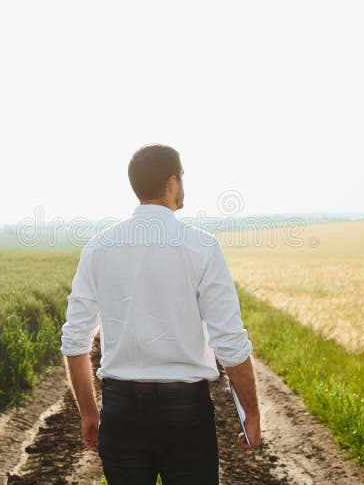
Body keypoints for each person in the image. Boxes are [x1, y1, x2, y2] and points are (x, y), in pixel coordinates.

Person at [60, 143, 261, 485]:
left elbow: (75, 342)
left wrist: (89, 414)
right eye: (182, 178)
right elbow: (229, 342)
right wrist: (251, 413)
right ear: (172, 183)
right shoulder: (203, 248)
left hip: (121, 412)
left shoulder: (98, 248)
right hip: (185, 414)